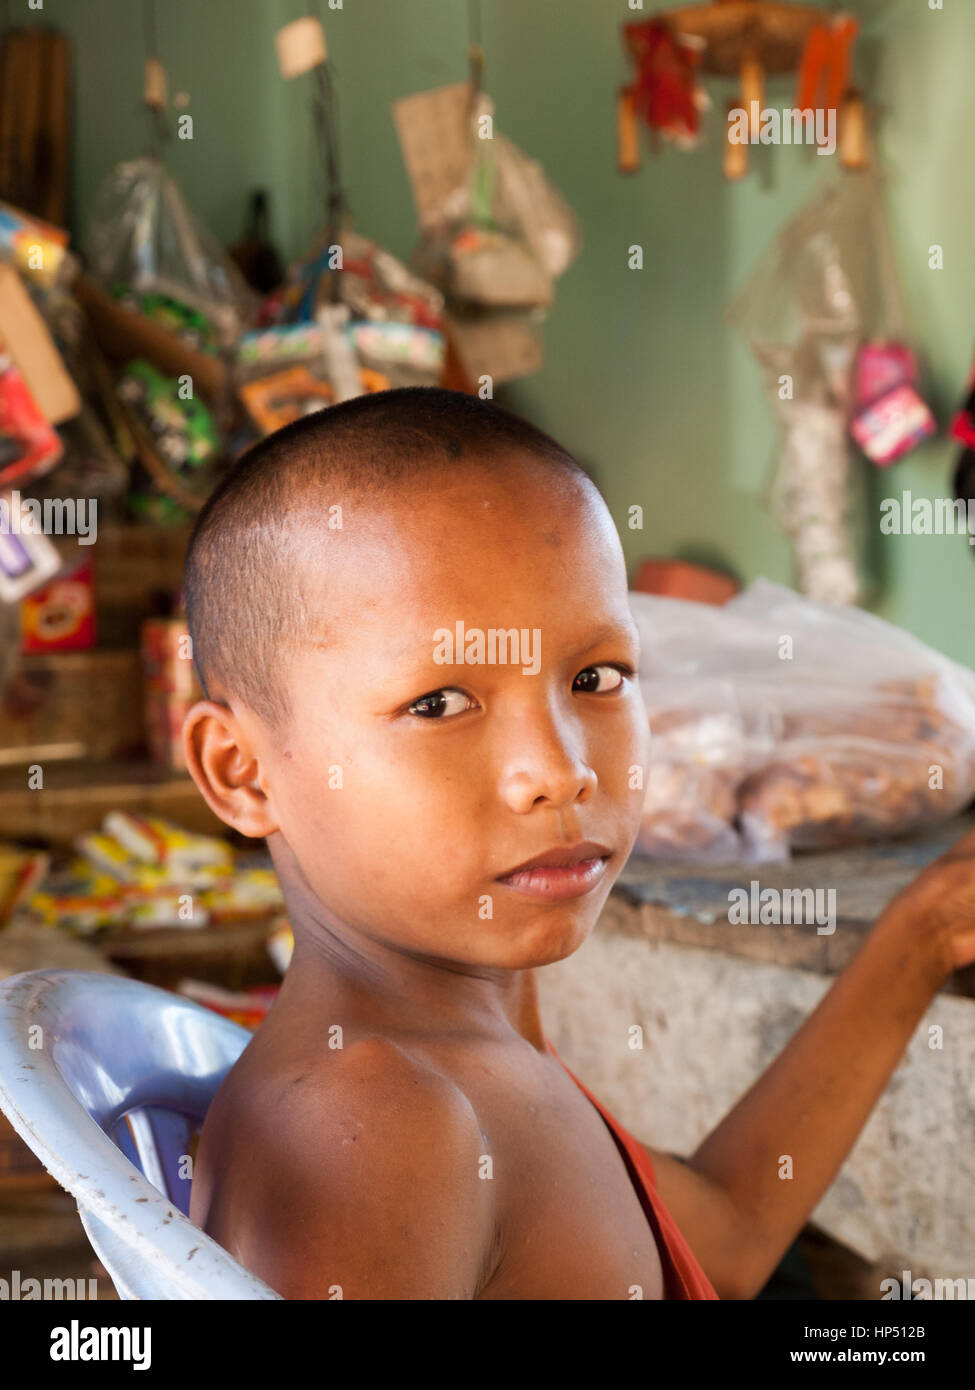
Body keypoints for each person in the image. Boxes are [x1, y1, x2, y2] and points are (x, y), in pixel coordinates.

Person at [181, 386, 975, 1299]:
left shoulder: (467, 1046)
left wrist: (922, 934)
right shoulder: (382, 1121)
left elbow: (722, 1233)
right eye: (438, 703)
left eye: (596, 676)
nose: (557, 772)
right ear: (242, 771)